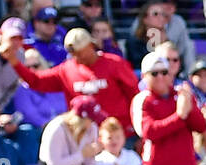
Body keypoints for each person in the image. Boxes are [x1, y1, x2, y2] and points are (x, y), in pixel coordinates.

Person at [9, 26, 140, 139]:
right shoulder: (67, 69)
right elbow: (36, 81)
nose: (77, 57)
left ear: (90, 45)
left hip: (119, 135)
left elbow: (135, 96)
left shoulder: (115, 64)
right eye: (73, 53)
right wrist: (14, 62)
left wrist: (137, 129)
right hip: (83, 137)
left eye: (80, 52)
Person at [132, 51, 205, 165]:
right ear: (144, 76)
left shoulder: (181, 95)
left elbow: (201, 126)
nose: (161, 77)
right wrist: (179, 117)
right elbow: (149, 132)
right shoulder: (143, 100)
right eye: (154, 73)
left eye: (164, 72)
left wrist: (189, 104)